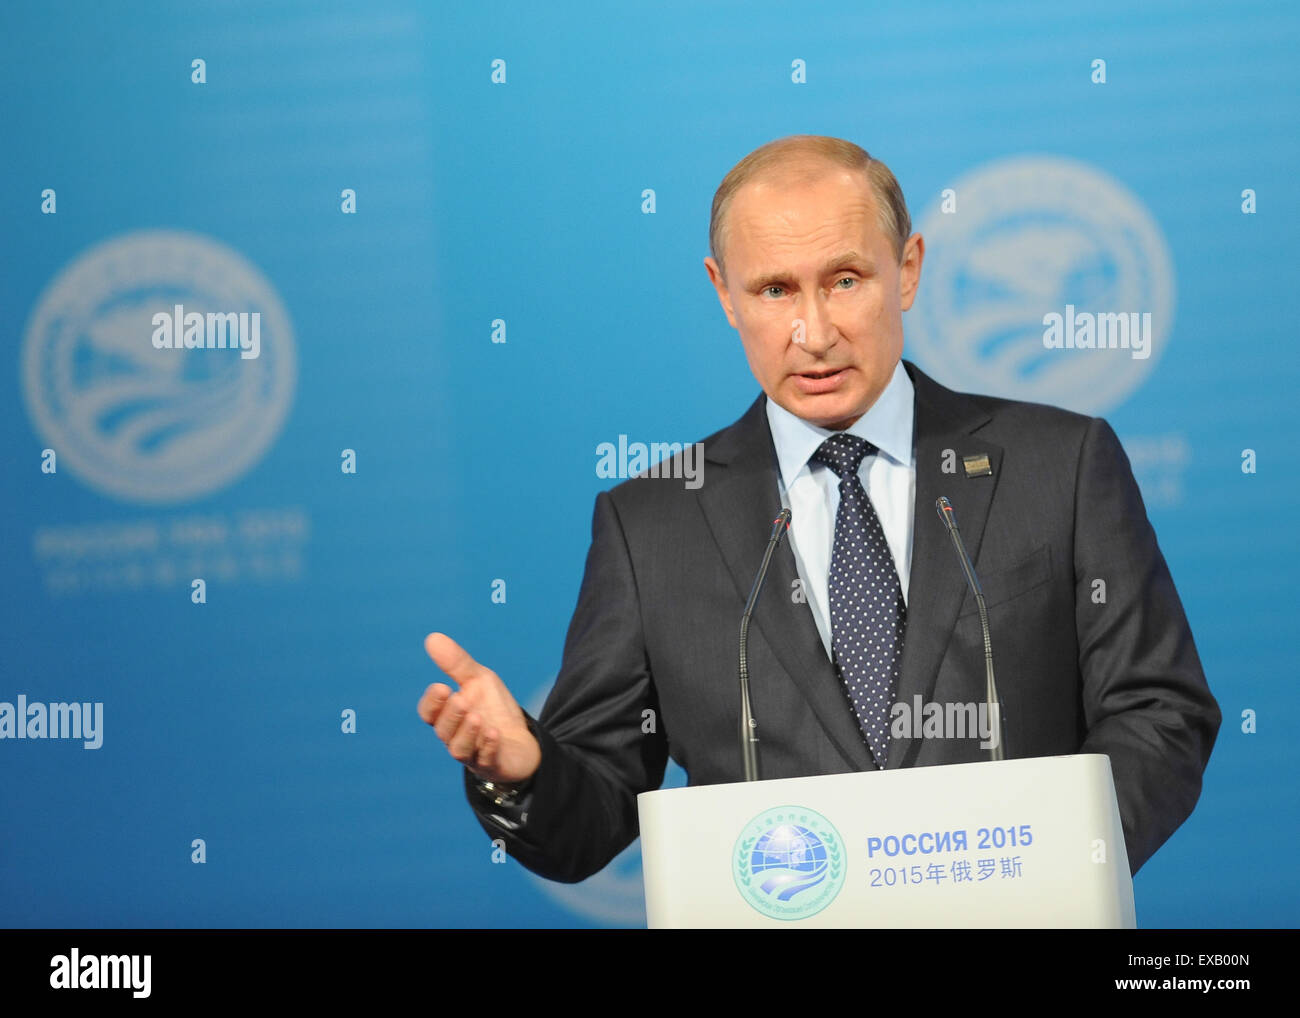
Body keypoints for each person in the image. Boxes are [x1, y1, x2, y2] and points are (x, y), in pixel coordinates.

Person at [417, 135, 1221, 884]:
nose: (813, 331)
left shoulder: (1061, 465)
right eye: (774, 289)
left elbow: (1159, 713)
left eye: (844, 280)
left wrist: (1040, 871)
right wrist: (522, 769)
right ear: (723, 293)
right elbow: (593, 810)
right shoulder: (651, 524)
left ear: (906, 269)